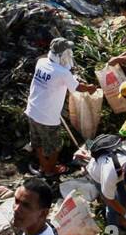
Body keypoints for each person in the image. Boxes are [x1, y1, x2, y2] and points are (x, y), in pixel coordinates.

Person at [25, 38, 97, 177]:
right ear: (61, 55)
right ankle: (50, 170)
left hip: (32, 110)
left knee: (37, 141)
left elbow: (57, 77)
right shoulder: (62, 73)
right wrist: (90, 88)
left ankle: (43, 166)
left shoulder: (41, 62)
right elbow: (77, 87)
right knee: (56, 146)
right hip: (47, 117)